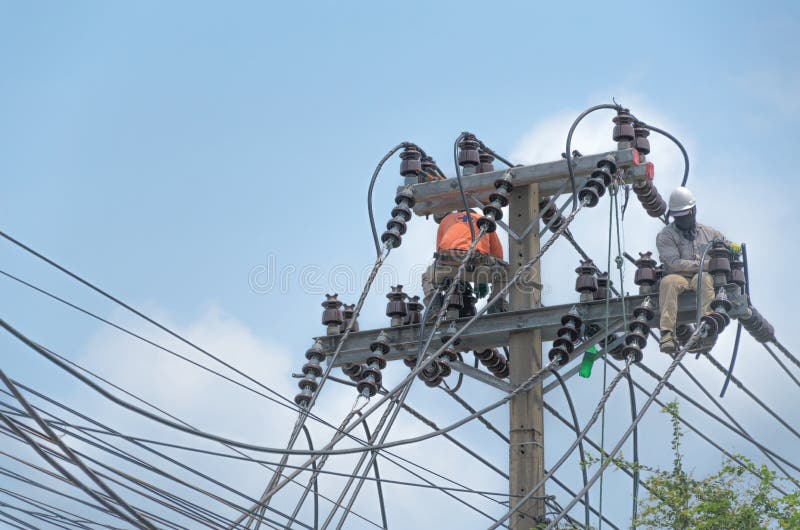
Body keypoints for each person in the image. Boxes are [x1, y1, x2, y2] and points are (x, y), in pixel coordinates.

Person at [656, 187, 738, 354]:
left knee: (704, 279)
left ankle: (707, 326)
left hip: (701, 277)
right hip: (678, 277)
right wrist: (706, 264)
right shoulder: (666, 235)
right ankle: (666, 334)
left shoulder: (709, 233)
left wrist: (732, 249)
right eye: (677, 217)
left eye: (683, 215)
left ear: (693, 211)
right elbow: (673, 264)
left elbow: (726, 246)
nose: (680, 220)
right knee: (668, 282)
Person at [421, 209, 507, 317]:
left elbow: (440, 251)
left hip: (448, 265)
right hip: (478, 265)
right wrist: (481, 281)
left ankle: (434, 306)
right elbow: (498, 256)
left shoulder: (446, 219)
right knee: (503, 273)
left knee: (427, 277)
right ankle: (496, 305)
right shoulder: (485, 221)